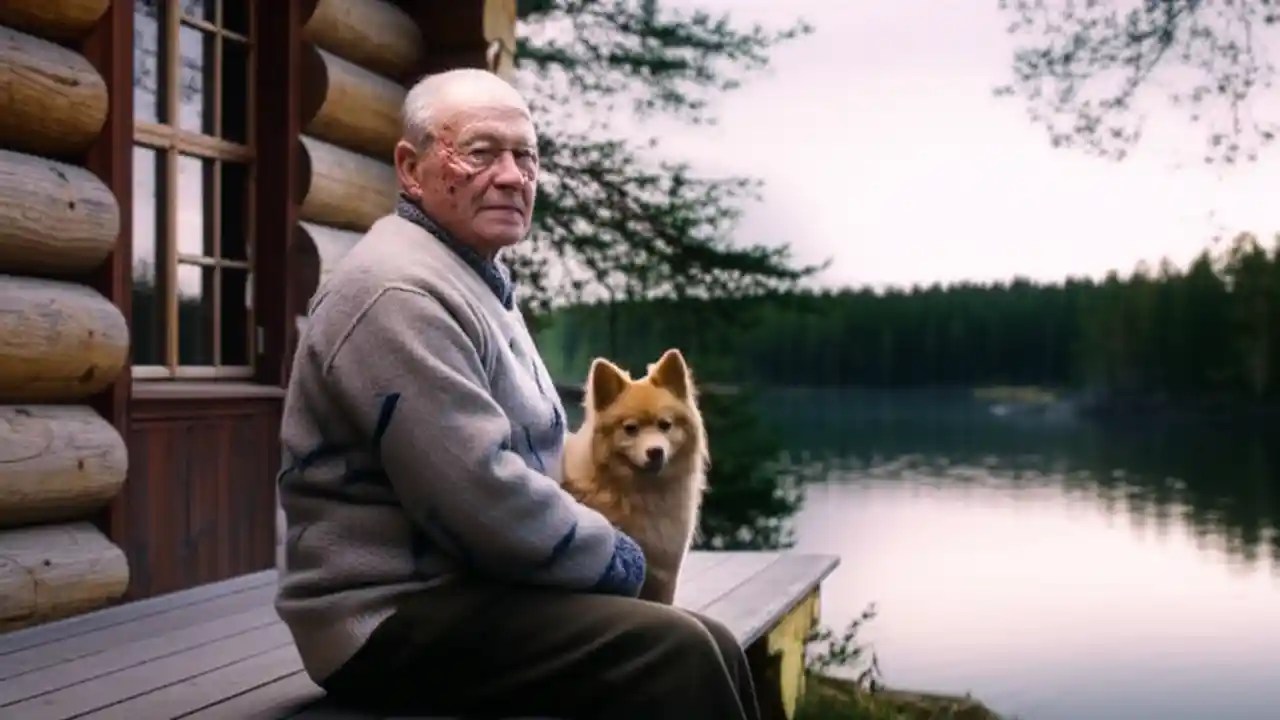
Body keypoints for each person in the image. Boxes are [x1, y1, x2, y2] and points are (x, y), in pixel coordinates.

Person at [274, 67, 761, 720]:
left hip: (468, 588)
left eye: (525, 156)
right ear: (410, 168)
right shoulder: (398, 293)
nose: (512, 175)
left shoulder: (469, 275)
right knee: (676, 652)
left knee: (716, 642)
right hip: (386, 617)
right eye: (480, 152)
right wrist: (624, 560)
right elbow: (479, 495)